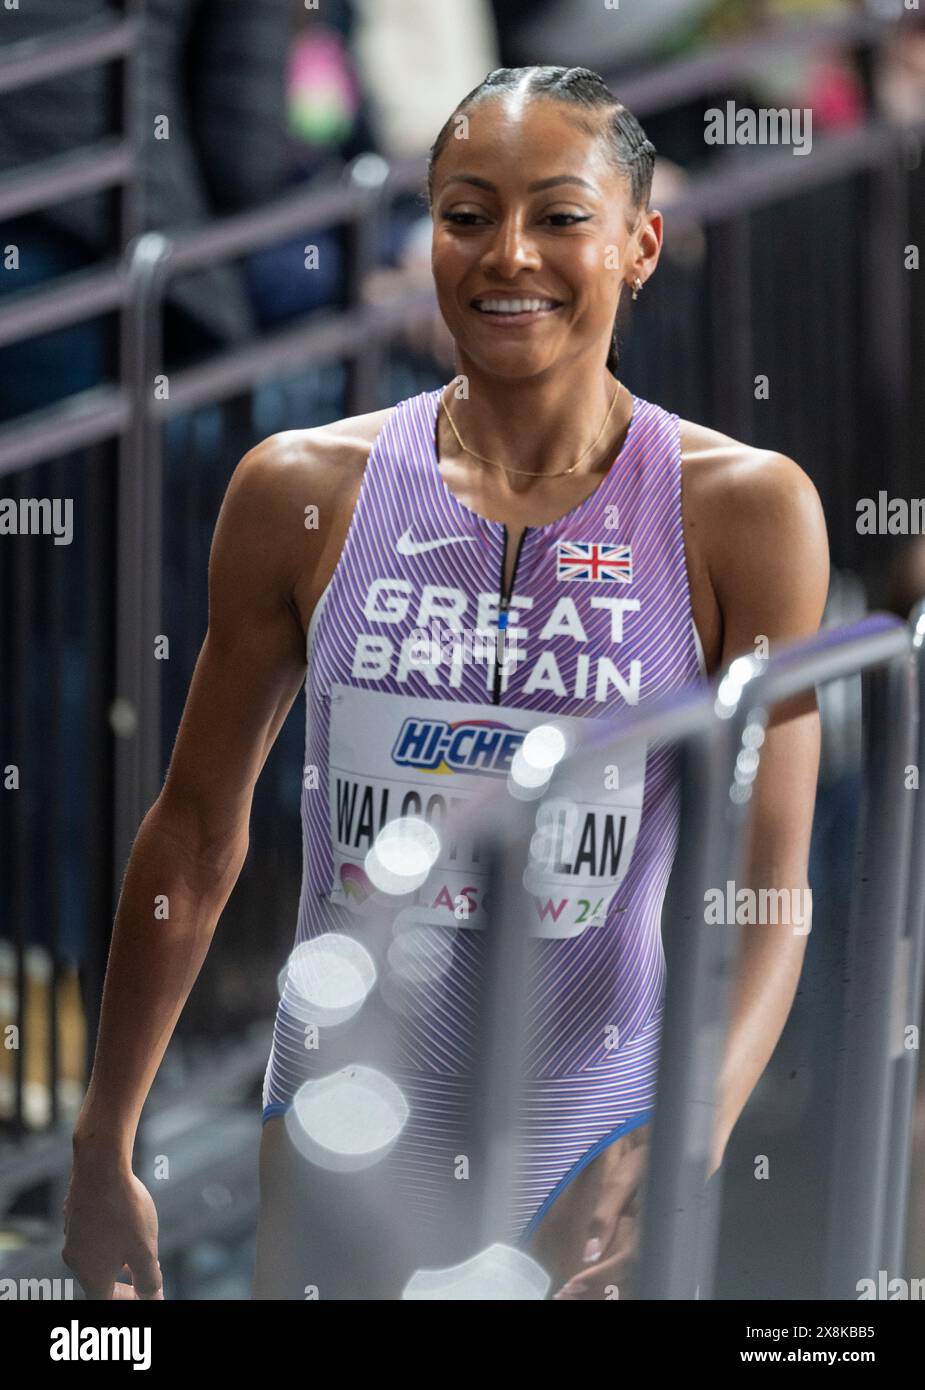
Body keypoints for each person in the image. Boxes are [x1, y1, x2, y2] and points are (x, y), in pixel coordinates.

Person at [62, 65, 829, 1301]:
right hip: (336, 1127)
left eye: (561, 216)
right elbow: (195, 837)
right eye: (467, 215)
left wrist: (689, 1136)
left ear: (641, 243)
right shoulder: (301, 489)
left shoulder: (745, 511)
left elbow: (768, 892)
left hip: (595, 1136)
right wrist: (104, 1140)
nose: (506, 255)